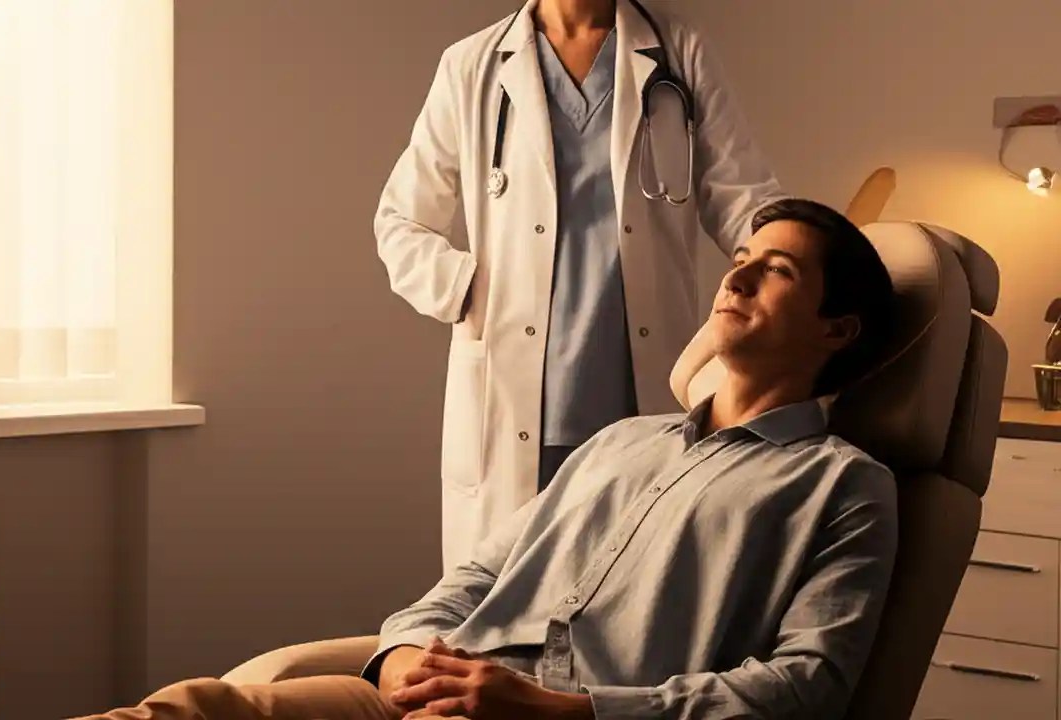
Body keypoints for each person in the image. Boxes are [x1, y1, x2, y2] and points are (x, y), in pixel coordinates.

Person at [73, 197, 900, 720]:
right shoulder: (621, 442)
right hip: (435, 690)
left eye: (778, 269)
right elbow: (474, 583)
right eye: (741, 260)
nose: (740, 275)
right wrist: (405, 654)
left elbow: (805, 686)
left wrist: (557, 709)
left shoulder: (840, 486)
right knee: (192, 708)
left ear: (838, 329)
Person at [373, 0, 787, 573]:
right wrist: (470, 290)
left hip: (640, 397)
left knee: (633, 601)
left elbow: (745, 201)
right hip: (519, 400)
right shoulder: (471, 66)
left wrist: (792, 262)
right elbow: (400, 221)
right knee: (511, 609)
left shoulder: (679, 54)